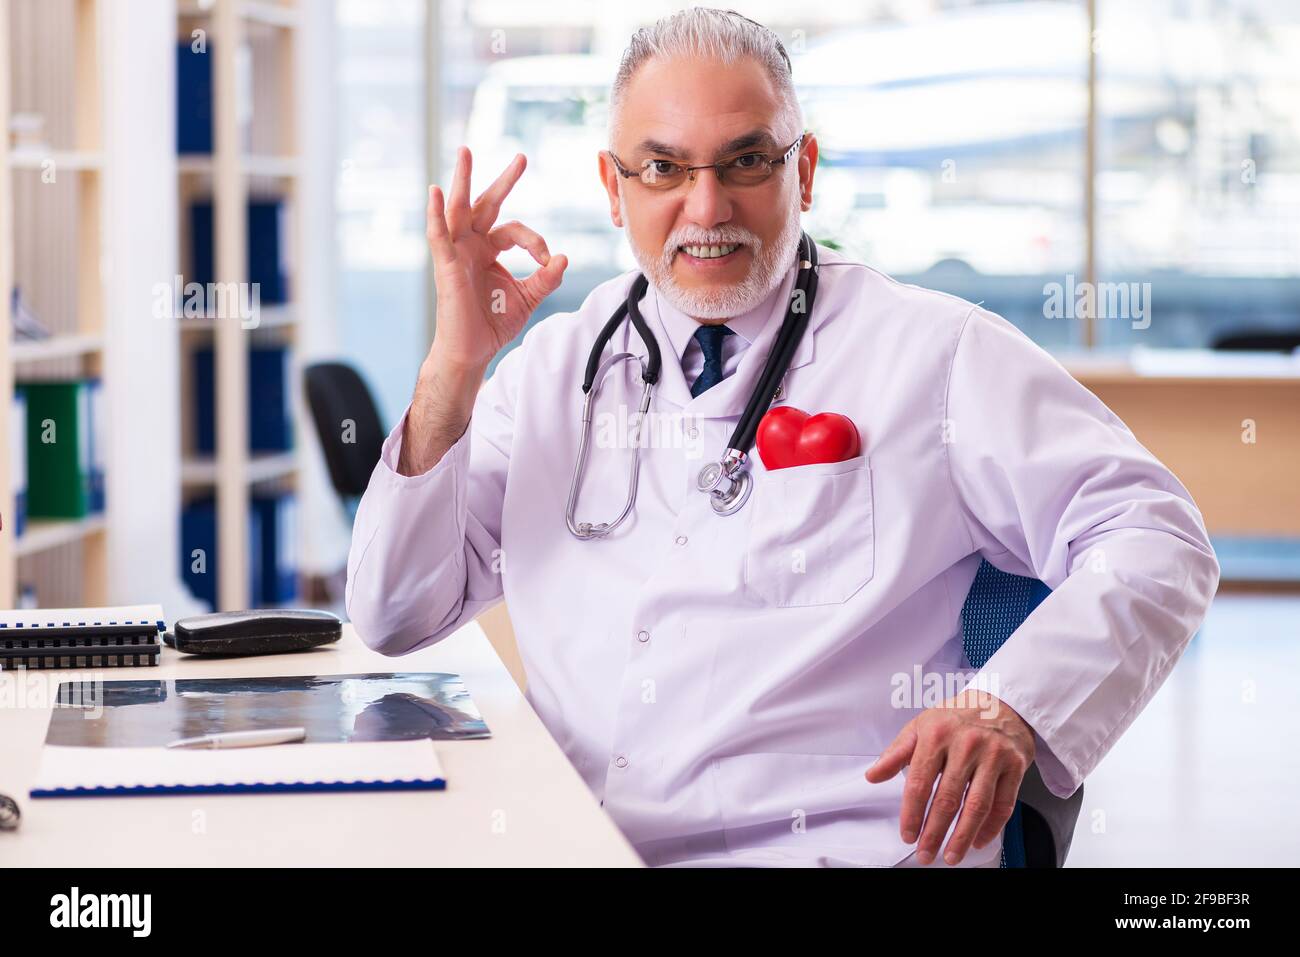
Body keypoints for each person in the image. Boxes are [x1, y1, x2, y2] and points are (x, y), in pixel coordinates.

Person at [346, 7, 1219, 868]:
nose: (707, 205)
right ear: (614, 189)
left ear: (803, 170)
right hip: (578, 841)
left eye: (746, 161)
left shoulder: (935, 352)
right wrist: (451, 371)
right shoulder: (553, 369)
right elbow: (393, 614)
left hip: (842, 847)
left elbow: (1156, 537)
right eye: (663, 167)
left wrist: (1013, 705)